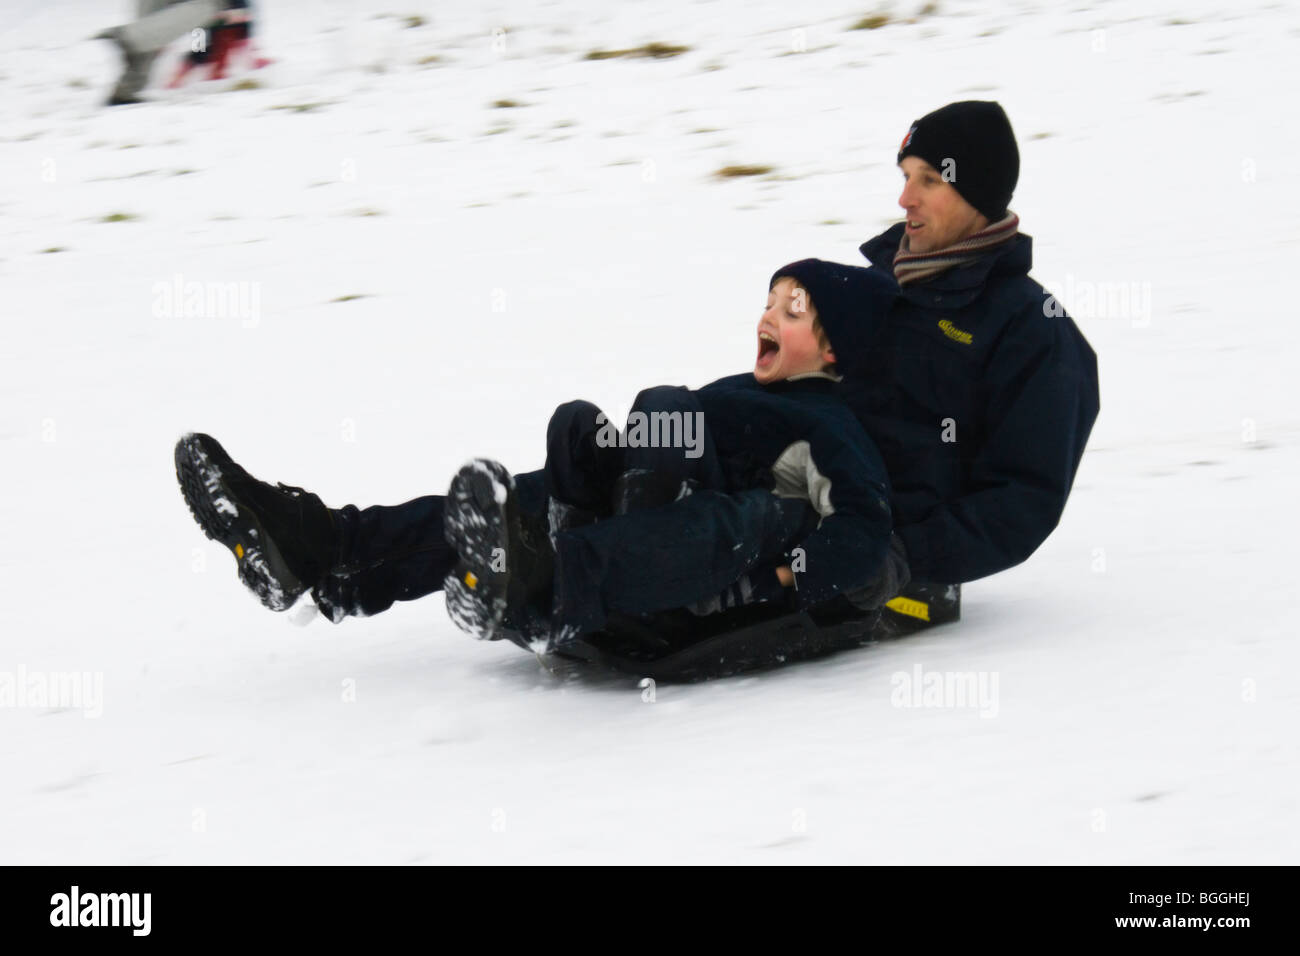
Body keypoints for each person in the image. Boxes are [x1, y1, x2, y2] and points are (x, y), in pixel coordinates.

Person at [174, 100, 1098, 651]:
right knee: (590, 471)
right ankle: (325, 552)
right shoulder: (874, 289)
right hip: (770, 448)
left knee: (721, 522)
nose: (903, 198)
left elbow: (1024, 500)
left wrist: (906, 558)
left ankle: (546, 581)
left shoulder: (1035, 335)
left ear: (979, 194)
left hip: (854, 525)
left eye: (926, 182)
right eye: (902, 176)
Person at [437, 259, 903, 647]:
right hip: (657, 506)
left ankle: (550, 581)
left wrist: (781, 577)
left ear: (832, 351)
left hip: (707, 543)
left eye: (791, 313)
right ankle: (537, 559)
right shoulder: (743, 389)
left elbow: (864, 527)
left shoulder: (832, 424)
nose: (768, 318)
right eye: (768, 305)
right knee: (578, 422)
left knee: (667, 404)